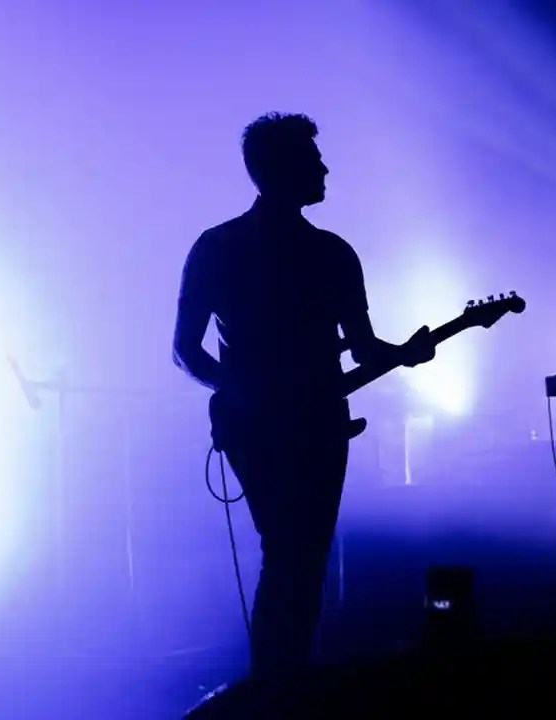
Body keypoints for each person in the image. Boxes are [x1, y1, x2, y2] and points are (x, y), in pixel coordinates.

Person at [172, 112, 435, 697]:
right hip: (278, 425)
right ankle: (276, 686)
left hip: (309, 422)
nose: (324, 168)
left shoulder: (306, 252)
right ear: (281, 169)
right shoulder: (250, 249)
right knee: (293, 552)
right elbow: (183, 349)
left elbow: (363, 349)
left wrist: (409, 352)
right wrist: (241, 390)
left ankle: (281, 684)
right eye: (312, 159)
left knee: (300, 554)